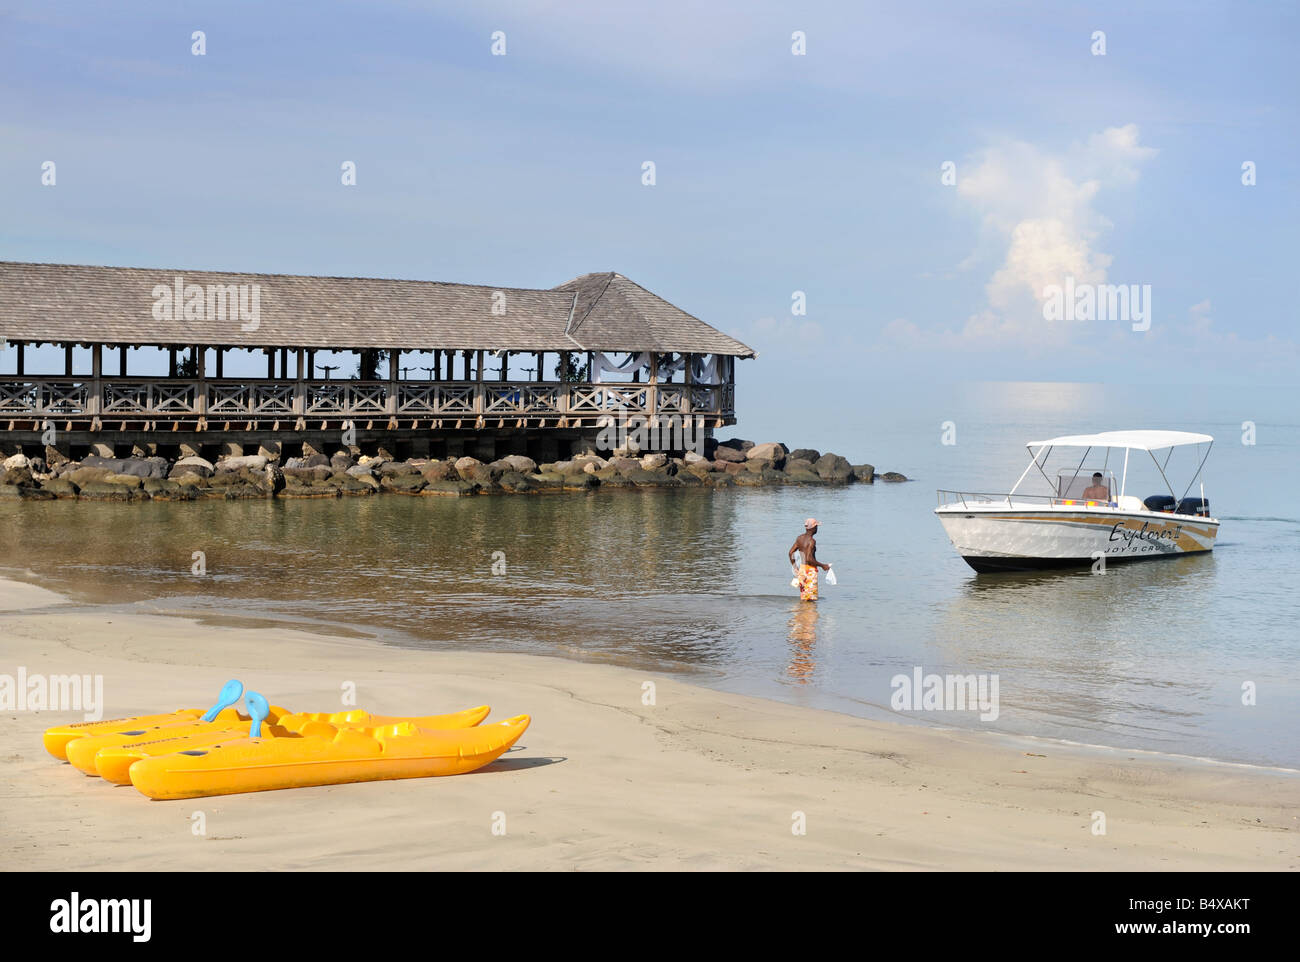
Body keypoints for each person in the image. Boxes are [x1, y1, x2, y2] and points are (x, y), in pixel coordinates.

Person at [788, 518, 831, 602]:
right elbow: (809, 559)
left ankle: (802, 614)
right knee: (810, 599)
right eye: (816, 527)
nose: (817, 529)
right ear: (813, 528)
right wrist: (823, 566)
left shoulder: (799, 538)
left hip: (802, 570)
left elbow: (790, 553)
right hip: (810, 571)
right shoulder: (812, 541)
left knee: (805, 597)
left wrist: (795, 567)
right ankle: (809, 614)